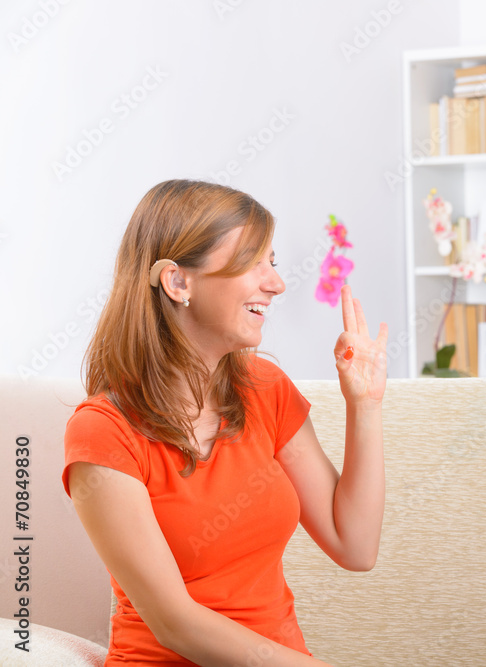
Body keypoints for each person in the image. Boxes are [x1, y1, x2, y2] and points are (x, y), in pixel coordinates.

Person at [63, 179, 388, 666]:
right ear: (178, 282)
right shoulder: (104, 431)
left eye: (273, 263)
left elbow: (354, 545)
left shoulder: (265, 389)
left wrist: (365, 406)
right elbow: (176, 623)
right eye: (252, 262)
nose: (276, 283)